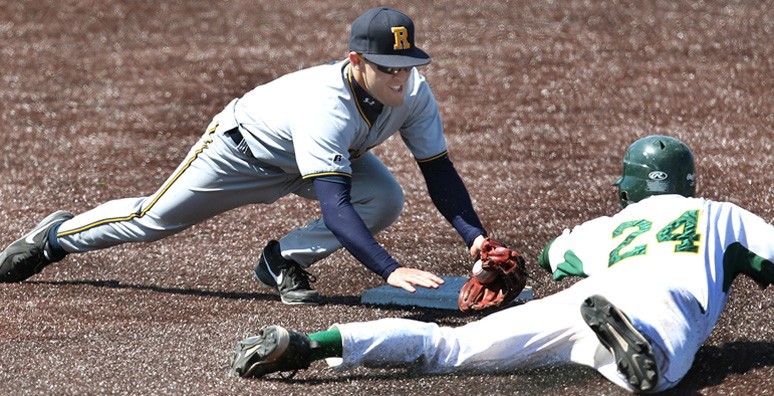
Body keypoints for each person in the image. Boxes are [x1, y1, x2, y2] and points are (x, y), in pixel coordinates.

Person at [0, 7, 492, 305]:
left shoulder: (414, 94)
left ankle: (282, 261)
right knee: (152, 219)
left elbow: (438, 170)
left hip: (316, 158)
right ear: (357, 61)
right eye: (389, 69)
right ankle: (54, 238)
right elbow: (334, 206)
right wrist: (388, 269)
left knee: (384, 197)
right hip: (239, 155)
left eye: (408, 67)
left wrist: (474, 238)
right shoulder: (326, 106)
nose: (401, 80)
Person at [227, 135, 773, 393]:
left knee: (450, 347)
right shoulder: (721, 214)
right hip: (661, 304)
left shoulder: (607, 229)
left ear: (628, 189)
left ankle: (315, 343)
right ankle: (630, 344)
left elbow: (551, 257)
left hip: (581, 300)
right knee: (659, 377)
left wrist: (507, 264)